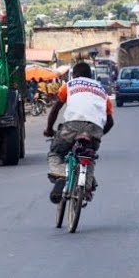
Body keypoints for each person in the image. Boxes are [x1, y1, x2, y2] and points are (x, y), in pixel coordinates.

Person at [43, 61, 115, 204]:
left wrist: (49, 129)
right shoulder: (102, 91)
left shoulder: (69, 85)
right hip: (95, 129)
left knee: (56, 152)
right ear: (90, 75)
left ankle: (61, 174)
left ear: (74, 75)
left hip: (72, 126)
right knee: (89, 157)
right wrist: (97, 136)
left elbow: (56, 109)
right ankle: (86, 188)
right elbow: (110, 122)